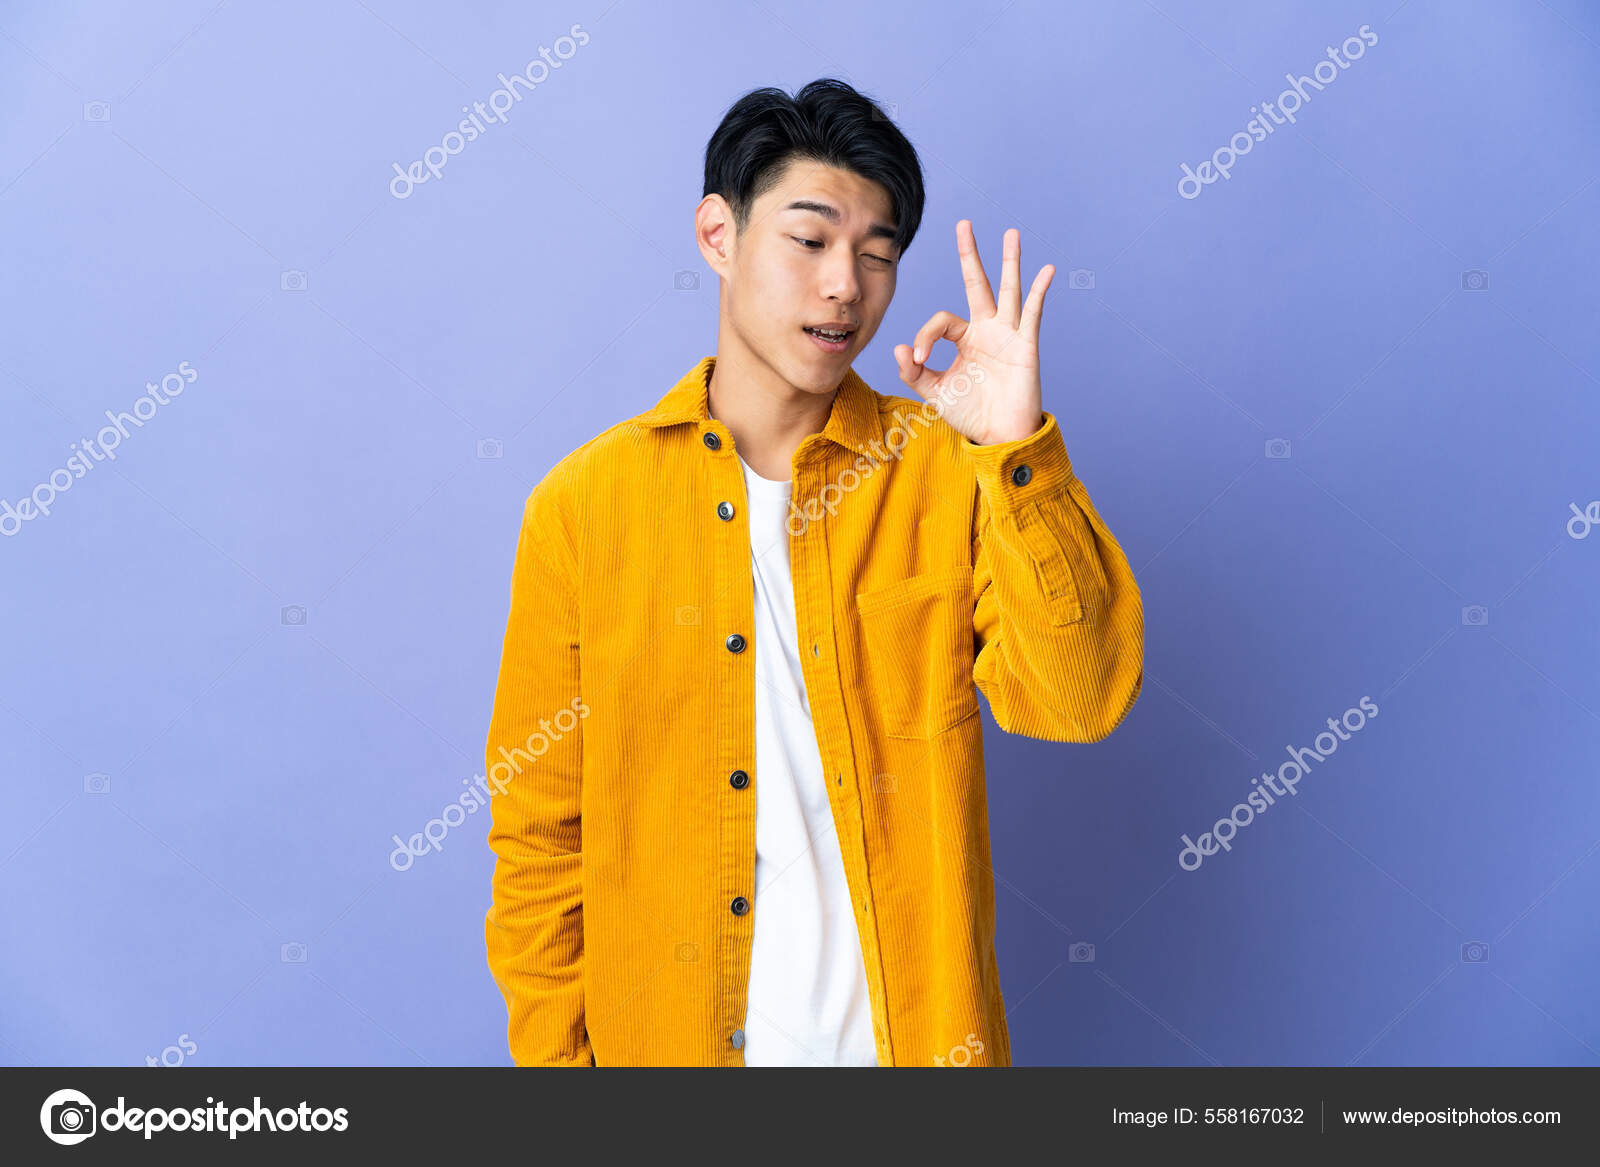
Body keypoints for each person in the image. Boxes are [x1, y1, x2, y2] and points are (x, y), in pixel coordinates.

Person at [483, 78, 1143, 1067]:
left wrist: (1014, 455)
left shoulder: (945, 472)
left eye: (878, 254)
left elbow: (1076, 701)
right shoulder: (585, 506)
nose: (846, 285)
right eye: (811, 239)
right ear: (718, 234)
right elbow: (539, 839)